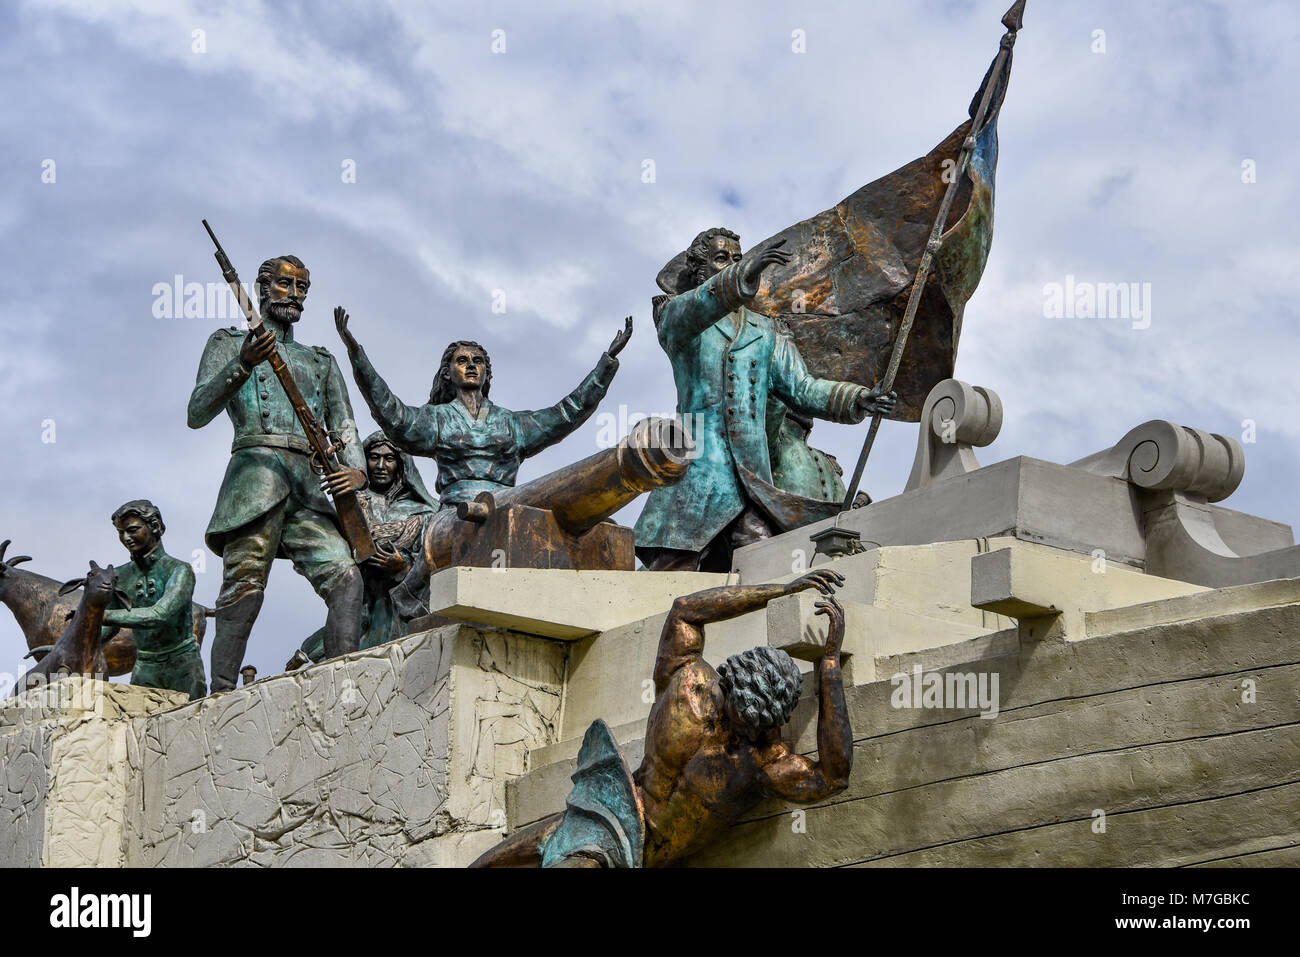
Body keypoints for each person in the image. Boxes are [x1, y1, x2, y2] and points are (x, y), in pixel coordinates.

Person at [471, 568, 852, 868]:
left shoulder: (763, 761)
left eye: (753, 730)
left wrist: (829, 666)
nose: (740, 733)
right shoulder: (686, 678)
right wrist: (780, 591)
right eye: (738, 718)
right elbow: (685, 609)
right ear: (731, 682)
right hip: (609, 809)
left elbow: (832, 777)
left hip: (637, 855)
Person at [635, 228, 896, 571]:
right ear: (700, 270)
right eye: (721, 258)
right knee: (674, 568)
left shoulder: (766, 331)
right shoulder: (680, 320)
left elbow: (803, 388)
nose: (732, 264)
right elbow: (691, 310)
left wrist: (857, 398)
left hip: (751, 480)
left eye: (737, 259)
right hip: (696, 472)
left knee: (762, 564)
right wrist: (741, 275)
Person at [188, 255, 368, 691]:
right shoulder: (229, 342)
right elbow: (197, 411)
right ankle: (222, 692)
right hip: (255, 478)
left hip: (309, 488)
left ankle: (342, 681)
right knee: (243, 588)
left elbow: (345, 425)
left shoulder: (320, 361)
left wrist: (357, 474)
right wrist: (244, 363)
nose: (295, 295)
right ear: (263, 288)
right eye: (286, 285)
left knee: (347, 577)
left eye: (302, 288)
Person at [334, 308, 633, 510]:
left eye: (478, 361)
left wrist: (606, 364)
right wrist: (356, 354)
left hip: (506, 508)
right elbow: (392, 414)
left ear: (487, 373)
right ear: (448, 372)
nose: (472, 366)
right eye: (462, 361)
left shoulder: (511, 423)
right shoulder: (438, 419)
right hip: (455, 512)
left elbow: (567, 413)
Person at [289, 431, 438, 667]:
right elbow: (316, 549)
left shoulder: (424, 512)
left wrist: (403, 566)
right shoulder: (348, 503)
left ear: (400, 465)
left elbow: (434, 563)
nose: (380, 465)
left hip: (405, 608)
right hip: (361, 607)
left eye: (389, 459)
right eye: (373, 457)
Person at [101, 500, 206, 700]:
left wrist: (104, 615)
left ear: (155, 527)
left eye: (132, 530)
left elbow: (160, 615)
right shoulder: (119, 576)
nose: (126, 538)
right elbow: (108, 630)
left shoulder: (179, 570)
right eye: (121, 533)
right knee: (140, 728)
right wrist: (69, 645)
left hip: (183, 665)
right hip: (144, 667)